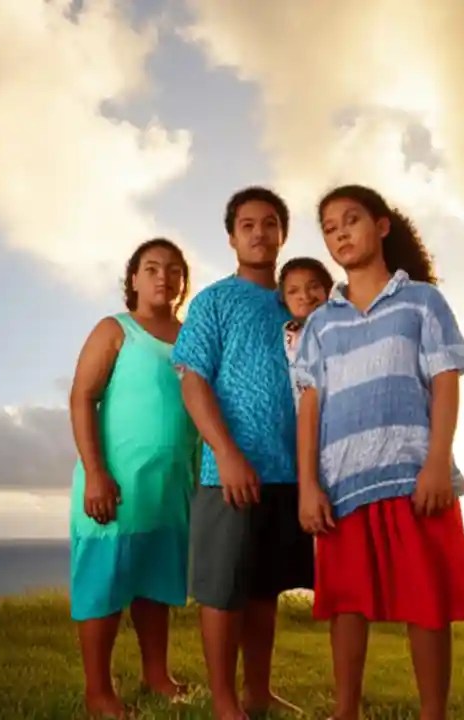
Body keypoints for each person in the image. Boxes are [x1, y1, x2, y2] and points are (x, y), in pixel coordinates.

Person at [293, 185, 464, 720]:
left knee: (427, 602)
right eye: (329, 228)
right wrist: (308, 484)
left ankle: (433, 714)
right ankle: (345, 711)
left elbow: (445, 382)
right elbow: (308, 407)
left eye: (350, 220)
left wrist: (436, 465)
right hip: (341, 482)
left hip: (412, 473)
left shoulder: (422, 301)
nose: (339, 233)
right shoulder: (321, 323)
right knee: (347, 603)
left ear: (381, 226)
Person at [172, 187, 315, 720]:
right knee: (223, 590)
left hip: (288, 470)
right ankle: (224, 702)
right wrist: (226, 452)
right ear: (232, 237)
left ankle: (258, 692)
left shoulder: (298, 301)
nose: (260, 232)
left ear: (283, 233)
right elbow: (193, 381)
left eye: (271, 223)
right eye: (248, 225)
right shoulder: (214, 301)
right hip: (227, 470)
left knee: (263, 589)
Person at [68, 238, 199, 718]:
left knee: (155, 583)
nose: (163, 276)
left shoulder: (192, 340)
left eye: (173, 269)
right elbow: (82, 397)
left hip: (169, 488)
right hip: (115, 484)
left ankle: (156, 675)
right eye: (151, 268)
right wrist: (96, 474)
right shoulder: (114, 330)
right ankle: (98, 693)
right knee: (103, 585)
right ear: (134, 280)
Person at [278, 256, 334, 407]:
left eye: (313, 287)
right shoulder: (288, 334)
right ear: (283, 298)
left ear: (327, 289)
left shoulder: (338, 326)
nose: (305, 296)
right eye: (293, 291)